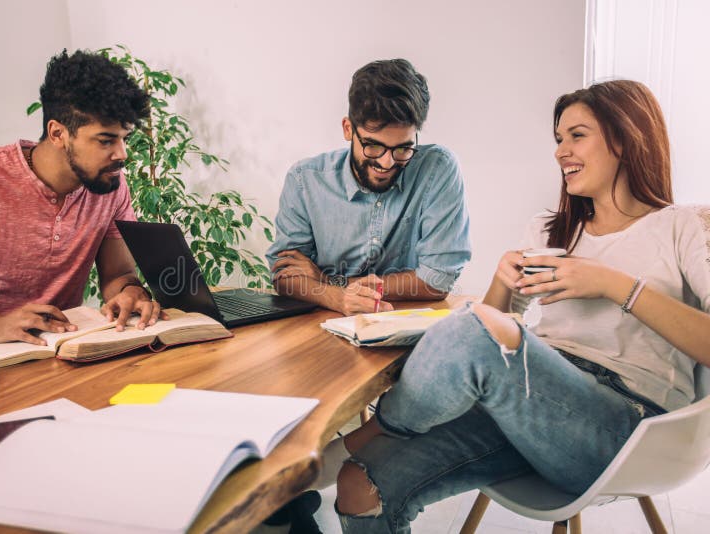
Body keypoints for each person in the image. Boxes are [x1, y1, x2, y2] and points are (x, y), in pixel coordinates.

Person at [330, 80, 710, 532]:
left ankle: (375, 428)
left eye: (577, 135)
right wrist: (501, 284)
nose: (560, 151)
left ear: (626, 138)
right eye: (558, 139)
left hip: (629, 428)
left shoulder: (683, 226)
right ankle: (373, 440)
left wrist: (615, 286)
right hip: (532, 407)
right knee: (359, 482)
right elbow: (490, 341)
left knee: (474, 326)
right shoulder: (549, 231)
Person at [0, 50, 162, 346]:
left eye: (125, 139)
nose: (122, 155)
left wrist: (130, 293)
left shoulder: (109, 185)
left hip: (57, 350)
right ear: (57, 133)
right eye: (106, 140)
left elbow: (118, 274)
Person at [266, 59, 471, 315]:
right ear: (348, 129)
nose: (387, 163)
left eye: (403, 148)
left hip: (406, 327)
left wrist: (331, 283)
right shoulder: (304, 180)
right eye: (373, 146)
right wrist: (339, 300)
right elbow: (285, 276)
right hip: (321, 329)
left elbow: (438, 280)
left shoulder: (438, 168)